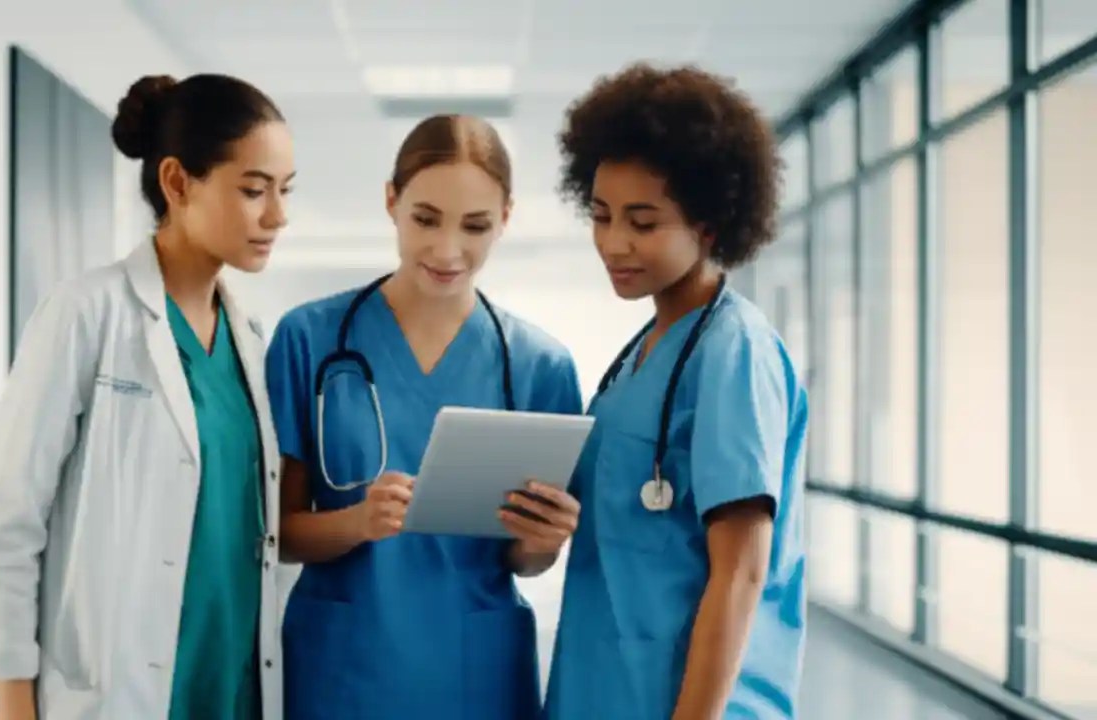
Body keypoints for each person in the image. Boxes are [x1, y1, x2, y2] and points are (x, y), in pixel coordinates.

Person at [0, 73, 296, 720]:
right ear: (177, 183)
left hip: (235, 691)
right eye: (254, 191)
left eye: (285, 192)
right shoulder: (86, 314)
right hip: (123, 696)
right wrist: (12, 709)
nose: (277, 216)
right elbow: (7, 526)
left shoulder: (252, 342)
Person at [265, 114, 584, 720]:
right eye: (425, 218)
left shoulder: (540, 367)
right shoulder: (309, 339)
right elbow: (276, 533)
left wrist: (543, 543)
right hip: (343, 670)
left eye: (476, 226)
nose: (447, 250)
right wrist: (358, 522)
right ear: (391, 201)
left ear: (507, 219)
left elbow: (527, 560)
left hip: (477, 675)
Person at [543, 63, 809, 720]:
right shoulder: (641, 354)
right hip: (603, 687)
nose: (614, 243)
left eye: (643, 221)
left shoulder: (733, 351)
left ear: (710, 226)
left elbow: (742, 571)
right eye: (601, 216)